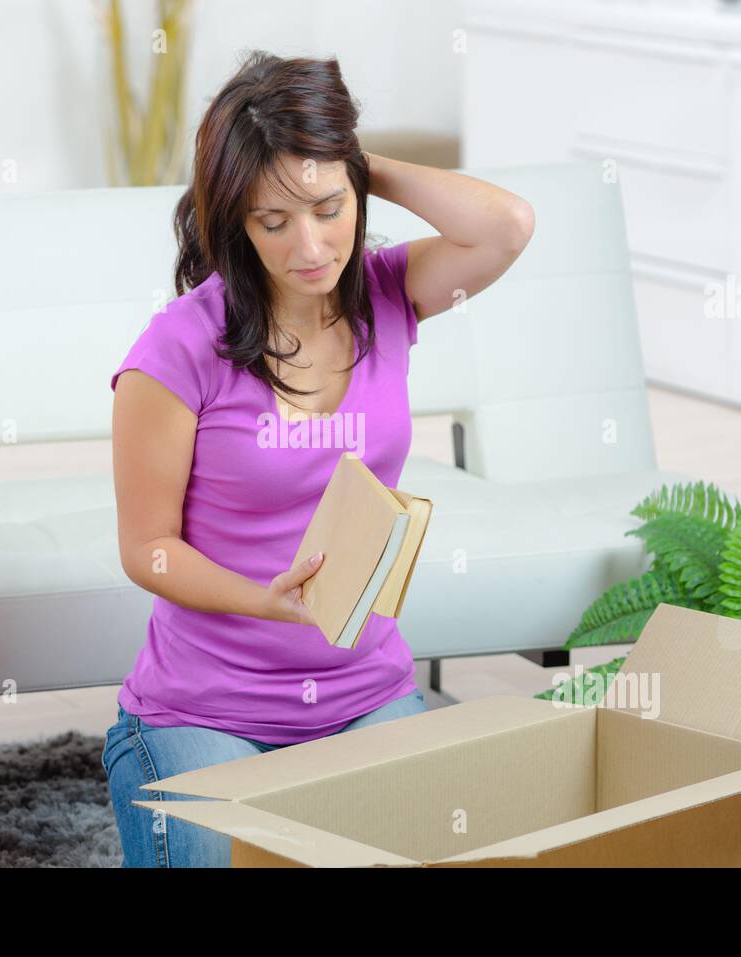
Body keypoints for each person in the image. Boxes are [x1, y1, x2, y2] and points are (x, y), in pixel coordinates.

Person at [102, 50, 535, 867]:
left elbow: (507, 225)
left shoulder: (389, 293)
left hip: (362, 693)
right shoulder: (175, 350)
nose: (311, 244)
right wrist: (271, 603)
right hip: (206, 709)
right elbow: (145, 549)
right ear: (234, 221)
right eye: (274, 220)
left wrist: (345, 161)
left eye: (330, 207)